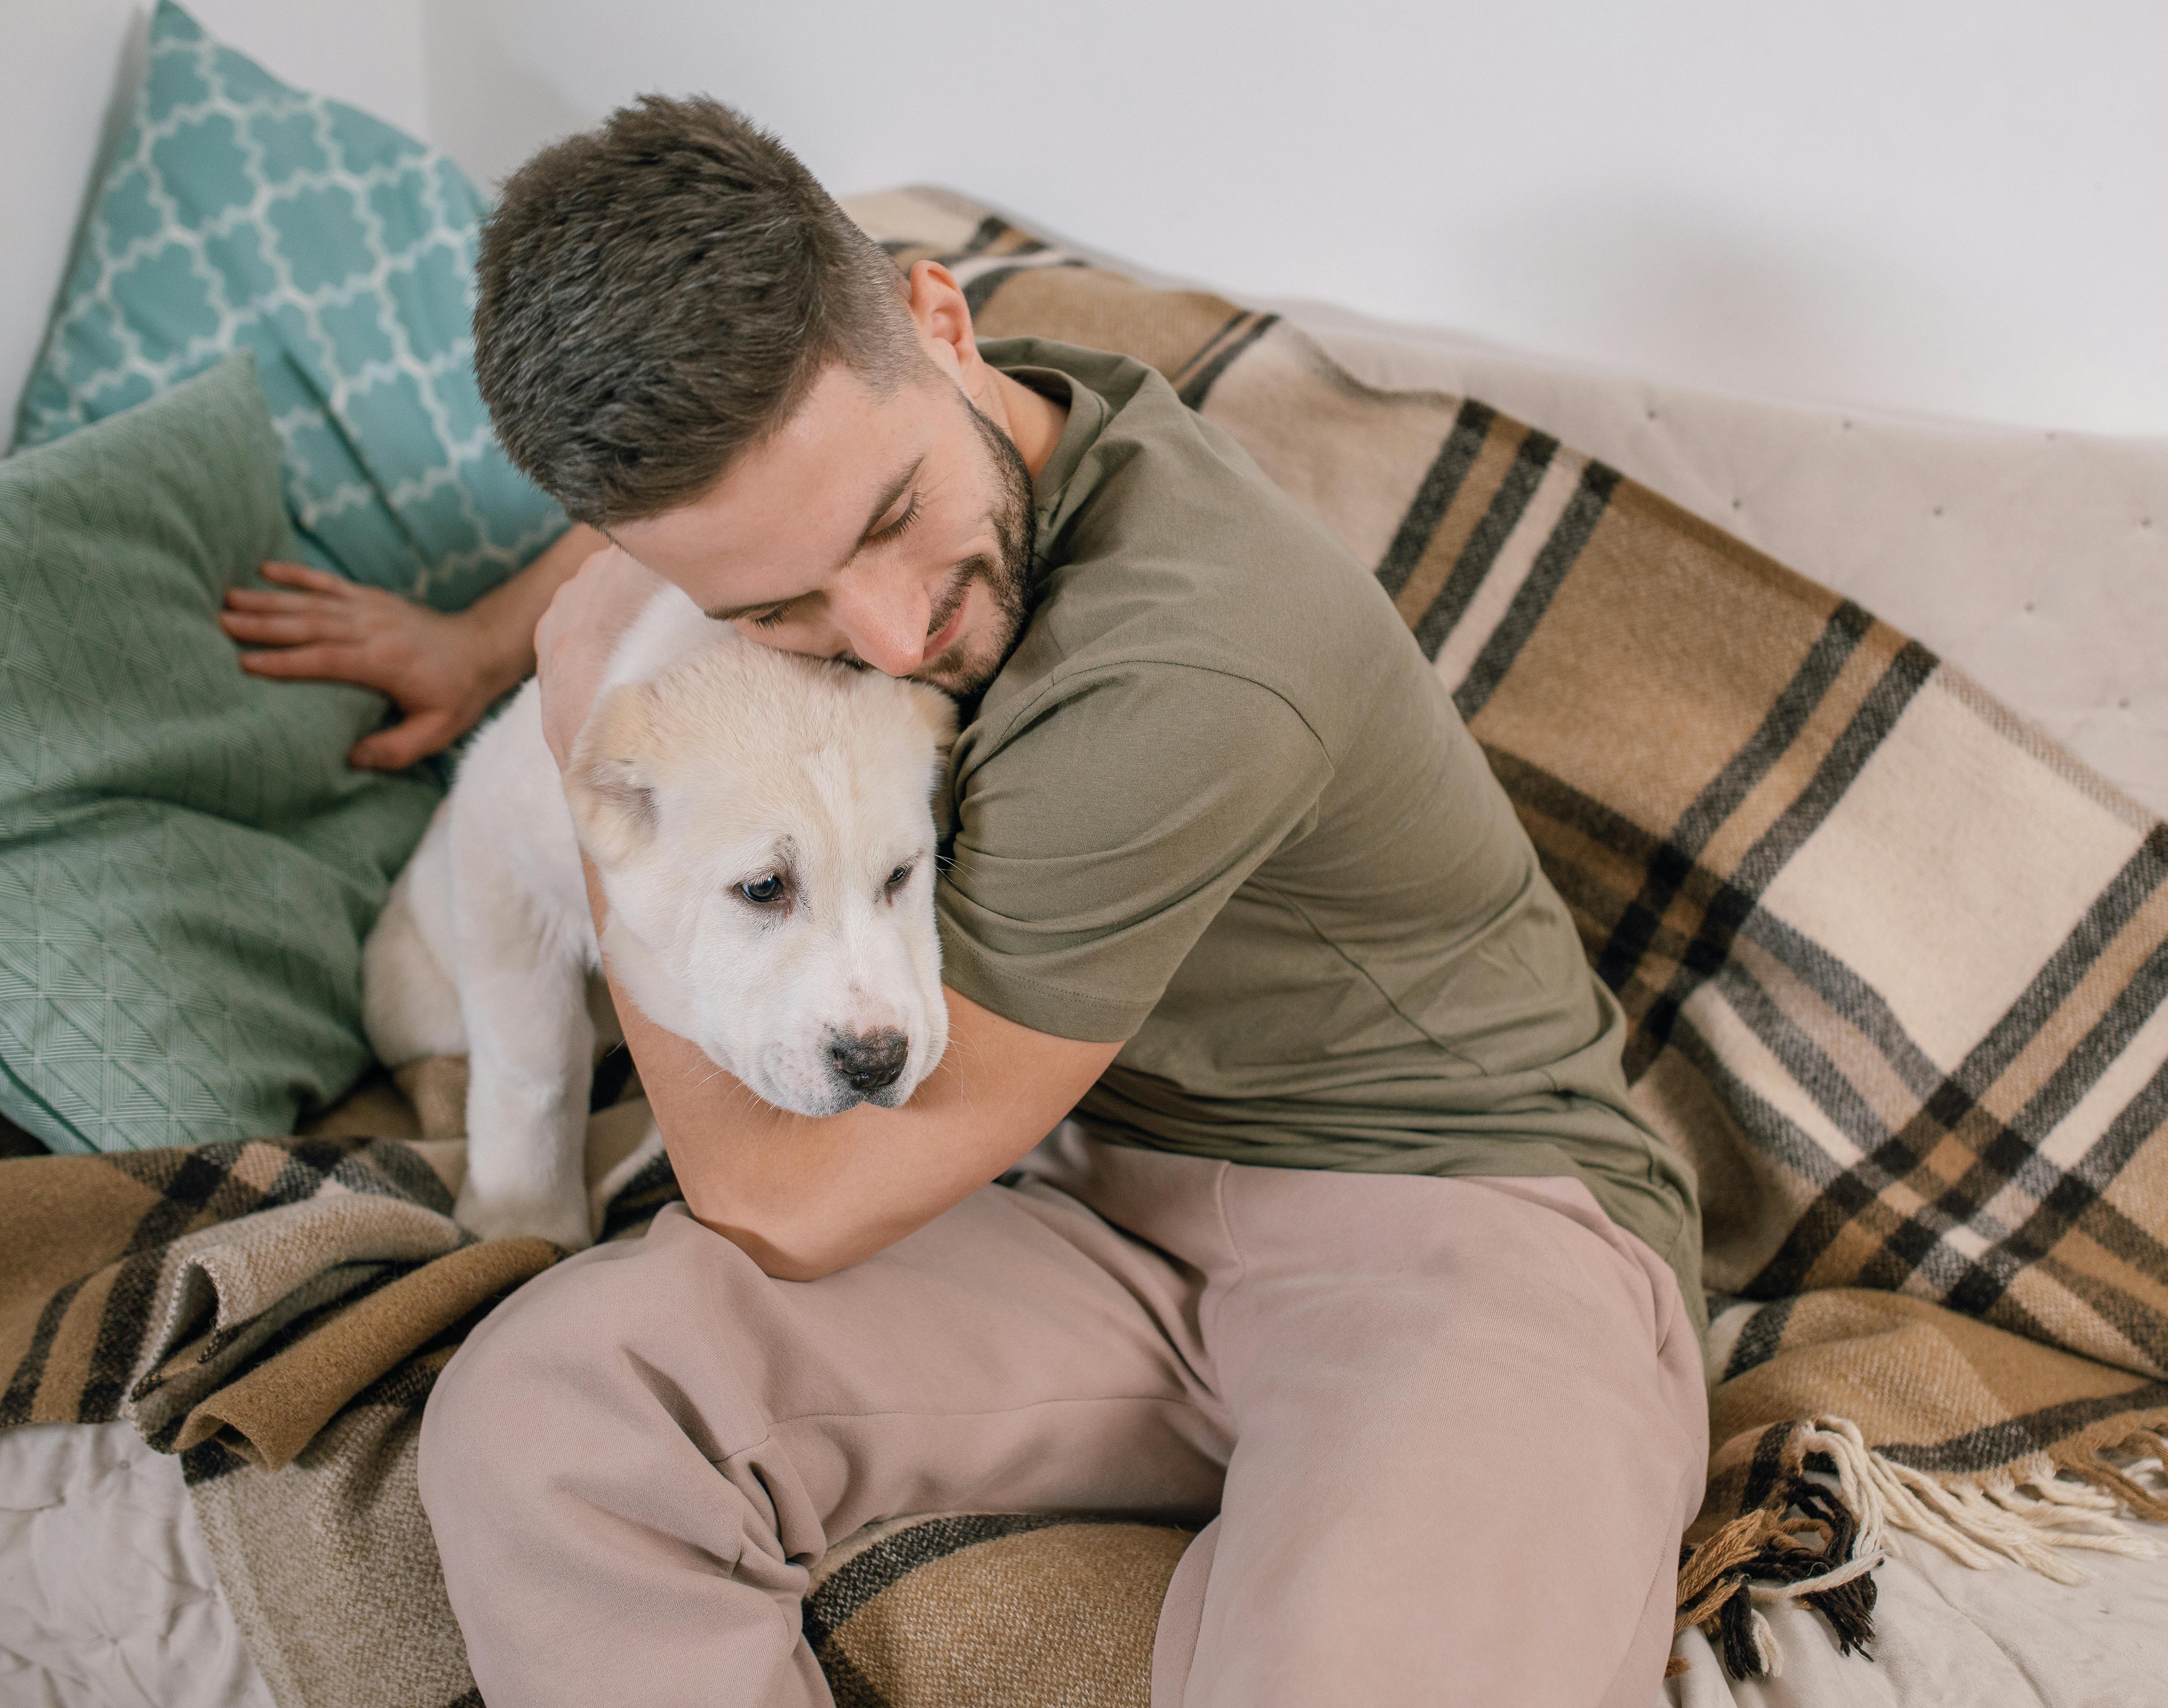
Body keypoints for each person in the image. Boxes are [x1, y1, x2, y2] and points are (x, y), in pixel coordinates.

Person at [226, 95, 1709, 1708]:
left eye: (887, 521)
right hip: (1070, 1196)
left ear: (943, 318)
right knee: (547, 1414)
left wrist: (596, 737)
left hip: (1448, 1227)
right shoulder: (867, 410)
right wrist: (490, 641)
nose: (887, 629)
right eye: (779, 604)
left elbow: (787, 1204)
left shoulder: (1189, 665)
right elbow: (677, 525)